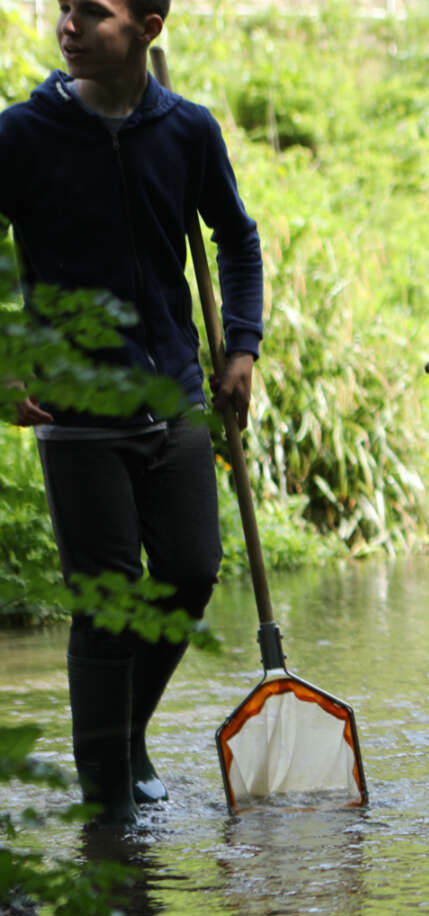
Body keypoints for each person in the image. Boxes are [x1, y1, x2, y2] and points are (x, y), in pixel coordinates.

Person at [1, 0, 263, 825]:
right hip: (74, 408)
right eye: (63, 9)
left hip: (176, 393)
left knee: (189, 572)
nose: (68, 26)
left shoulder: (186, 131)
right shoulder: (20, 136)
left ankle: (126, 737)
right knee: (106, 601)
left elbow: (237, 239)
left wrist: (243, 347)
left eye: (92, 12)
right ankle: (104, 801)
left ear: (150, 25)